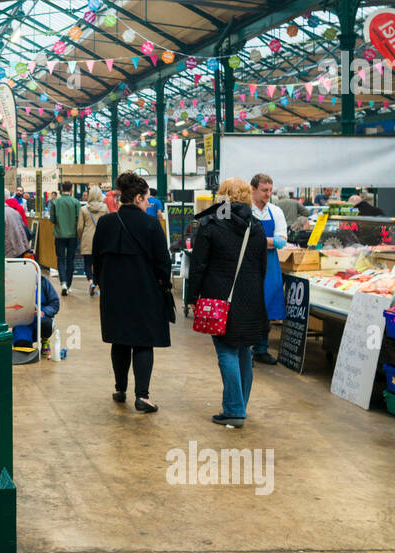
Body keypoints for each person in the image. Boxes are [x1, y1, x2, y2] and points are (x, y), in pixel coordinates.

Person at [187, 178, 268, 428]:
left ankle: (234, 410)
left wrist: (192, 297)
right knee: (244, 349)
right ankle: (240, 405)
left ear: (221, 196)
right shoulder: (256, 227)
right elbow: (261, 266)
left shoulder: (211, 224)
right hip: (251, 298)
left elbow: (198, 265)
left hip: (218, 298)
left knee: (226, 350)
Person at [93, 172, 172, 413]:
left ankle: (120, 388)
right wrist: (164, 284)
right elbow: (163, 261)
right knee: (142, 342)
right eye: (147, 198)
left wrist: (101, 283)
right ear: (138, 198)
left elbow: (96, 258)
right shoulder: (151, 225)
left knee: (119, 339)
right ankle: (143, 396)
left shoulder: (106, 223)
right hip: (145, 292)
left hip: (114, 293)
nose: (149, 203)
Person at [249, 173, 287, 365]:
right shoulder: (245, 211)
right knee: (249, 306)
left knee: (267, 306)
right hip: (249, 264)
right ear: (253, 189)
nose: (268, 194)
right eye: (264, 190)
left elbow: (282, 241)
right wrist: (270, 241)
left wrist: (259, 241)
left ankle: (261, 349)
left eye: (270, 190)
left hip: (271, 264)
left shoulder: (276, 211)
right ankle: (246, 349)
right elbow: (242, 241)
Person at [11, 259, 60, 357]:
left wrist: (43, 311)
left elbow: (55, 303)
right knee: (22, 349)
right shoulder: (15, 284)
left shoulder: (44, 281)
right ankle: (25, 340)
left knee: (47, 325)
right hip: (22, 321)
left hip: (40, 318)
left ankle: (45, 339)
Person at [76, 185, 108, 296]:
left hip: (87, 239)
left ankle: (91, 283)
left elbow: (80, 227)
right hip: (102, 239)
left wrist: (81, 237)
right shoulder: (105, 208)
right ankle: (98, 282)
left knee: (88, 263)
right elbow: (109, 225)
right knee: (100, 263)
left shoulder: (83, 209)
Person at [50, 181, 81, 295]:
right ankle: (68, 285)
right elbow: (79, 219)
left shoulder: (55, 202)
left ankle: (63, 282)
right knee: (70, 259)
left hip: (59, 234)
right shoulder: (76, 202)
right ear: (71, 189)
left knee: (61, 259)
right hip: (73, 235)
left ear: (61, 189)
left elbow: (52, 219)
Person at [4, 191, 31, 258]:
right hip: (19, 248)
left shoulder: (0, 212)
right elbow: (23, 224)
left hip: (8, 251)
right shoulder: (15, 212)